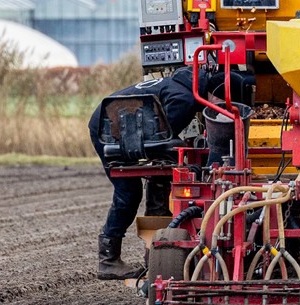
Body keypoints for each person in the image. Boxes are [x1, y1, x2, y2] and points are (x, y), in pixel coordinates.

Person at [88, 66, 228, 280]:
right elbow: (161, 139)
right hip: (108, 130)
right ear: (212, 92)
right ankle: (108, 261)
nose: (220, 109)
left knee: (154, 179)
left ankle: (151, 254)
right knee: (128, 193)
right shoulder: (186, 100)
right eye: (221, 102)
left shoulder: (179, 87)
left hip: (115, 126)